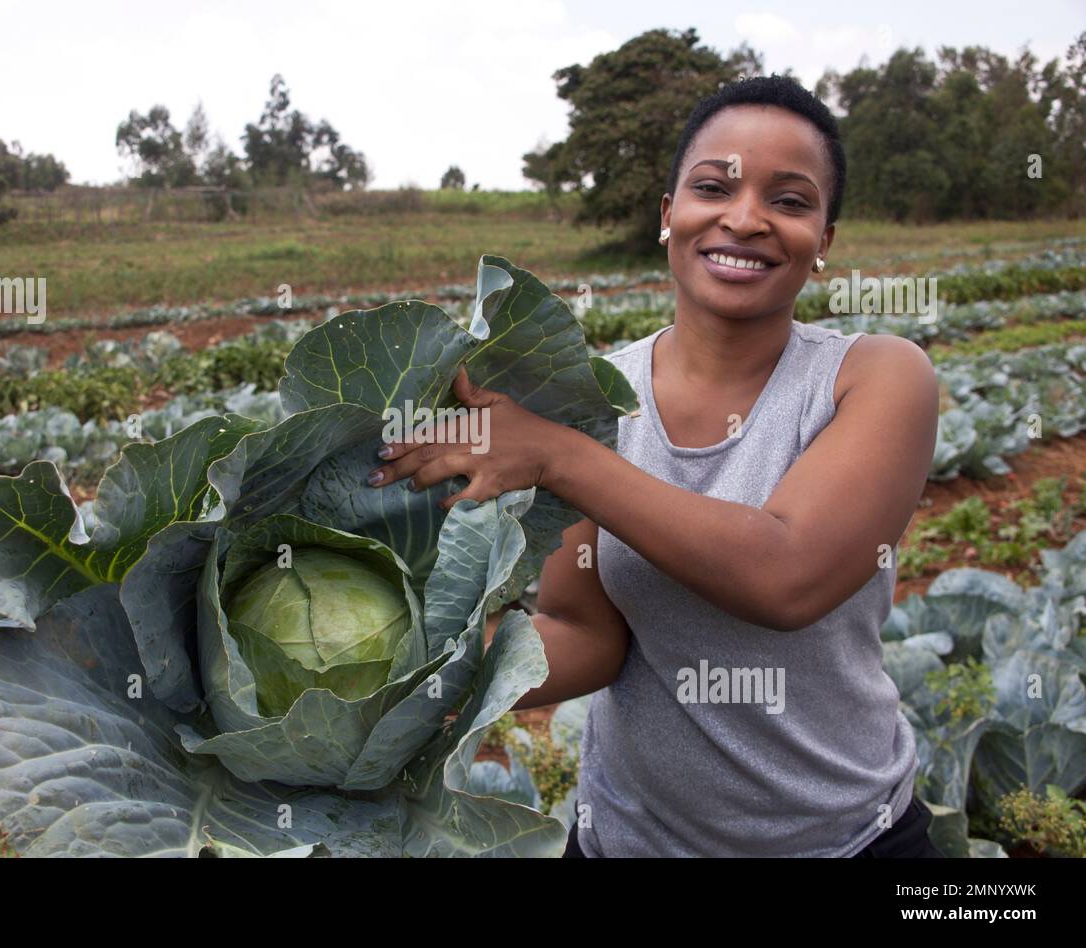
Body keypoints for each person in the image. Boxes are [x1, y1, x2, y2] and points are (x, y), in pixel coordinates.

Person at [367, 75, 943, 857]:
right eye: (713, 188)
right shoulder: (598, 400)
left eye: (791, 201)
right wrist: (403, 681)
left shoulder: (875, 377)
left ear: (825, 241)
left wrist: (556, 453)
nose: (745, 219)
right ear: (669, 216)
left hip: (844, 838)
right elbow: (586, 633)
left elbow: (786, 573)